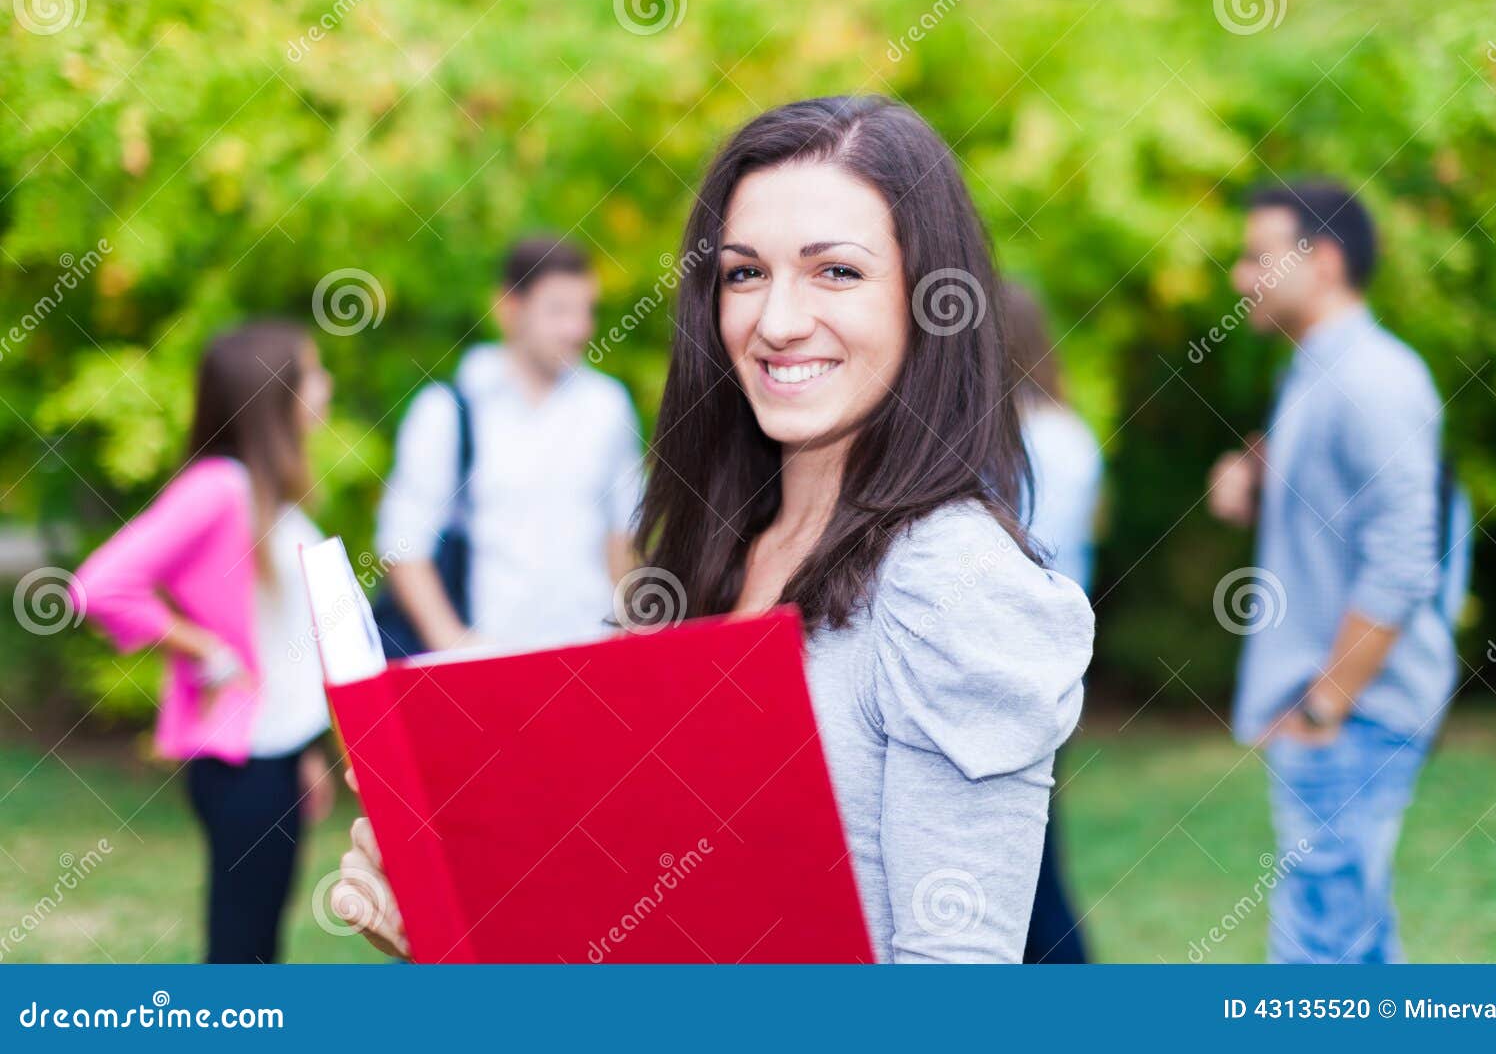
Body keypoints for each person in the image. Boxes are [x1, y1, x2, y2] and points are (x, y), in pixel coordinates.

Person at [335, 96, 1095, 963]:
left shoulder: (955, 578)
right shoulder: (720, 548)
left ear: (931, 298)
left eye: (835, 272)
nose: (774, 321)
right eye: (743, 273)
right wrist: (461, 921)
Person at [1207, 181, 1455, 963]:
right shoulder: (1314, 373)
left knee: (1319, 961)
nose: (1241, 276)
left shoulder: (1376, 379)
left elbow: (1403, 556)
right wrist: (1256, 481)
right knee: (1357, 946)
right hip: (1337, 712)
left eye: (1258, 257)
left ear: (1324, 262)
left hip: (1352, 714)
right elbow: (1346, 513)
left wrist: (1326, 706)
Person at [73, 321, 337, 963]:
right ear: (276, 396)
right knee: (240, 954)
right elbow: (98, 585)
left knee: (257, 947)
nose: (326, 388)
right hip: (240, 767)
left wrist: (306, 749)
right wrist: (208, 650)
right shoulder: (220, 488)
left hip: (274, 758)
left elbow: (283, 645)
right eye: (313, 375)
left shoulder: (273, 501)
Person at [376, 236, 643, 652]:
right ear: (509, 309)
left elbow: (623, 534)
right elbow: (402, 542)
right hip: (491, 662)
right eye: (558, 311)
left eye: (585, 311)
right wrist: (454, 645)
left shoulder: (607, 406)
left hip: (593, 653)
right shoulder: (448, 410)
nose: (578, 329)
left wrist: (626, 632)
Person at [1002, 283, 1101, 965]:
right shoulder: (1072, 436)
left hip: (1010, 660)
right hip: (1058, 662)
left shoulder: (1008, 444)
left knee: (1028, 861)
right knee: (1032, 844)